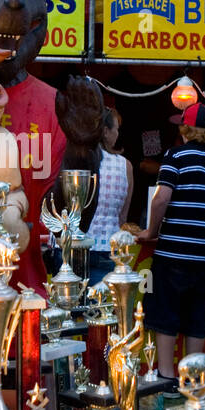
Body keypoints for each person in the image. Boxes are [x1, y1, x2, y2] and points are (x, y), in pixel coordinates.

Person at [134, 102, 205, 392]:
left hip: (174, 252)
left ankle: (166, 376)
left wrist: (151, 230)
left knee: (166, 313)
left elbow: (162, 198)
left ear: (186, 129)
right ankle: (192, 379)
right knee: (196, 317)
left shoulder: (175, 156)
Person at [87, 109, 134, 285]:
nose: (118, 133)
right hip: (108, 246)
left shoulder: (76, 159)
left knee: (72, 308)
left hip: (75, 247)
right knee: (101, 308)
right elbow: (123, 217)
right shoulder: (125, 166)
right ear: (106, 132)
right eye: (116, 129)